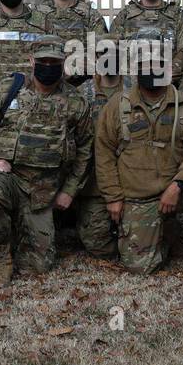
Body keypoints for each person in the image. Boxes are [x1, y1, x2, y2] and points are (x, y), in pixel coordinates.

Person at [0, 35, 92, 286]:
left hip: (43, 192)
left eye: (55, 62)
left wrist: (70, 191)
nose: (49, 66)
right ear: (31, 60)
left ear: (64, 63)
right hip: (6, 179)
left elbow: (85, 149)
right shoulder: (6, 90)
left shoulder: (76, 102)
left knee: (37, 266)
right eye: (43, 61)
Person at [94, 52, 183, 278]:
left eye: (157, 66)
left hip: (180, 186)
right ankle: (166, 231)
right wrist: (113, 196)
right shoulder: (117, 105)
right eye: (145, 67)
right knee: (139, 268)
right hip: (139, 194)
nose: (151, 71)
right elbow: (104, 152)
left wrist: (178, 184)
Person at [72, 59, 124, 259]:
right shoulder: (82, 93)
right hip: (94, 184)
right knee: (98, 245)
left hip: (132, 178)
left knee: (140, 246)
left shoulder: (136, 88)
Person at [108, 0, 183, 85]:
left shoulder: (177, 16)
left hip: (167, 88)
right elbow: (113, 52)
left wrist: (170, 72)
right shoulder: (125, 16)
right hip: (132, 89)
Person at [37, 0, 108, 84]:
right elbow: (31, 50)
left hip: (81, 84)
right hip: (46, 84)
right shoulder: (39, 14)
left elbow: (102, 53)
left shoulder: (90, 15)